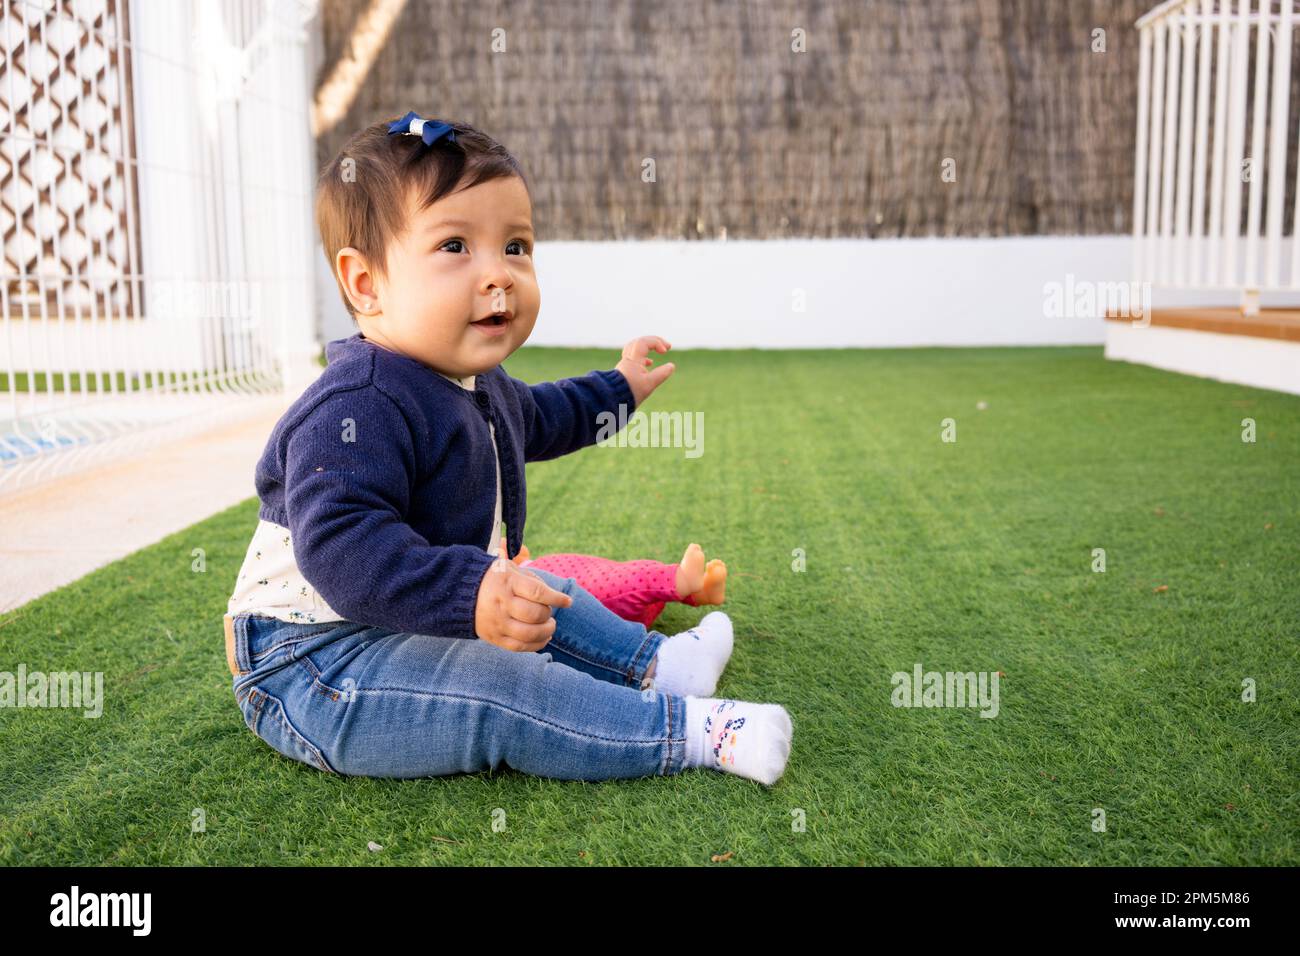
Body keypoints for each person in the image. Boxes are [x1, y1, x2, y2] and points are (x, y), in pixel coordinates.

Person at [224, 111, 792, 785]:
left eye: (515, 247)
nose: (499, 275)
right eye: (456, 247)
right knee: (499, 681)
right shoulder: (355, 406)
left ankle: (663, 667)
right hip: (314, 664)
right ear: (366, 284)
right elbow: (343, 549)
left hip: (406, 622)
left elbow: (545, 416)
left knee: (544, 591)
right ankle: (699, 734)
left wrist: (620, 388)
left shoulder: (474, 382)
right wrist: (470, 594)